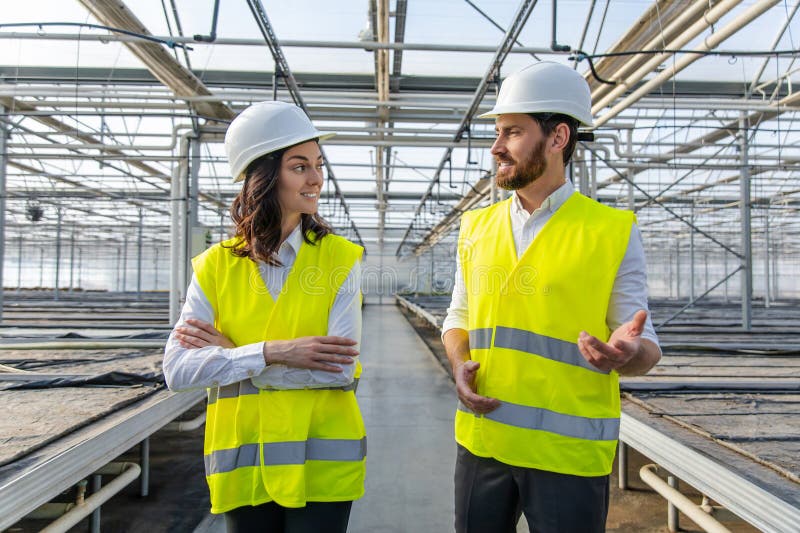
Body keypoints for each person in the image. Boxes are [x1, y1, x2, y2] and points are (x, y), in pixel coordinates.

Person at [442, 61, 662, 533]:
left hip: (568, 453)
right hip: (485, 443)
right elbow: (457, 316)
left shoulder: (611, 231)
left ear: (558, 137)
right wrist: (458, 362)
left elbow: (646, 347)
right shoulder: (475, 228)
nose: (497, 147)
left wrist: (626, 354)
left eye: (513, 132)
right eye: (498, 132)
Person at [163, 101, 366, 533]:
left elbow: (339, 370)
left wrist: (237, 359)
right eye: (299, 166)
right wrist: (276, 352)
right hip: (244, 466)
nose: (316, 179)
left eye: (317, 164)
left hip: (322, 465)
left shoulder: (342, 260)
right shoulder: (214, 266)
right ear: (263, 177)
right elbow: (178, 370)